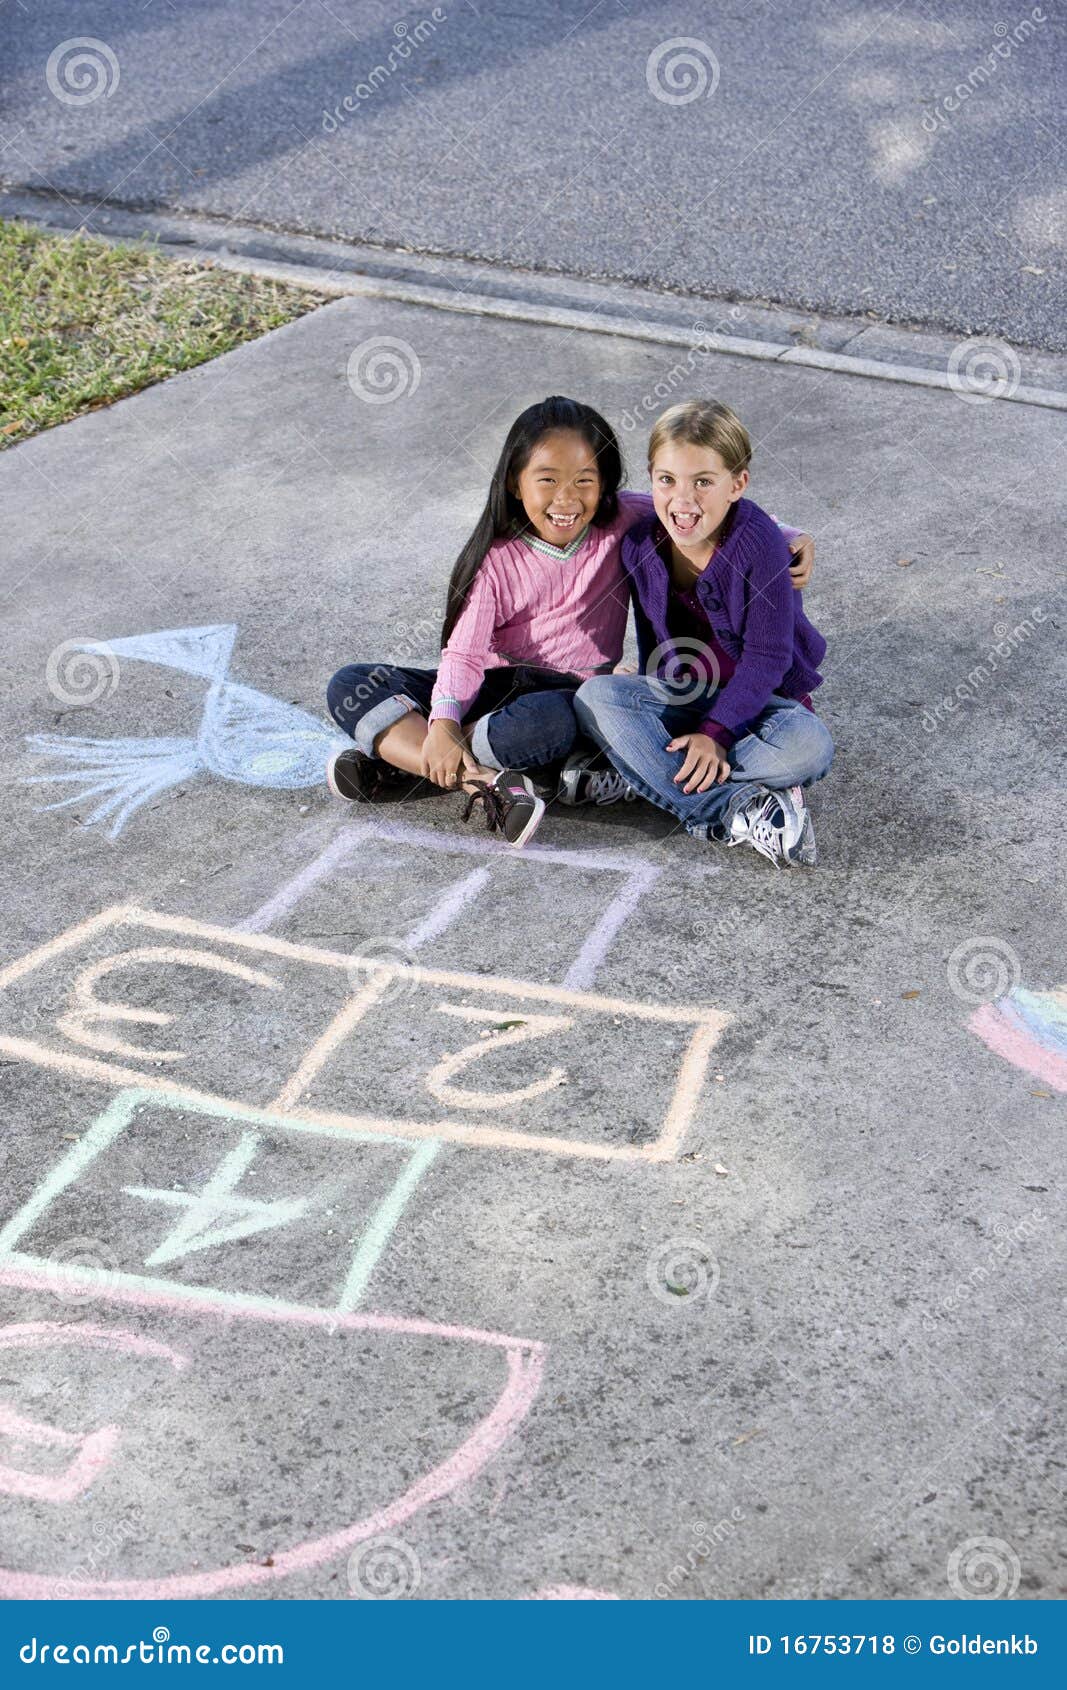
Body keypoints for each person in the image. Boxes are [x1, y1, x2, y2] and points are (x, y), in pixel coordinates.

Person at [326, 395, 814, 848]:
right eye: (546, 480)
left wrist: (791, 536)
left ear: (603, 485)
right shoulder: (494, 558)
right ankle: (482, 780)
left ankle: (402, 761)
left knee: (548, 722)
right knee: (349, 685)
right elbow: (464, 654)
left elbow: (699, 511)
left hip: (566, 698)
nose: (567, 499)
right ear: (515, 484)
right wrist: (444, 721)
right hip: (494, 689)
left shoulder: (620, 519)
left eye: (584, 480)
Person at [573, 400, 833, 866]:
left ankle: (652, 776)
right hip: (687, 697)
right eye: (667, 480)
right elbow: (653, 635)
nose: (683, 500)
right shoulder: (640, 547)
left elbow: (767, 660)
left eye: (704, 482)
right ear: (651, 477)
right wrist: (650, 684)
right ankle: (739, 806)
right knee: (597, 697)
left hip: (762, 706)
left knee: (808, 746)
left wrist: (714, 734)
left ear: (738, 484)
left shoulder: (760, 544)